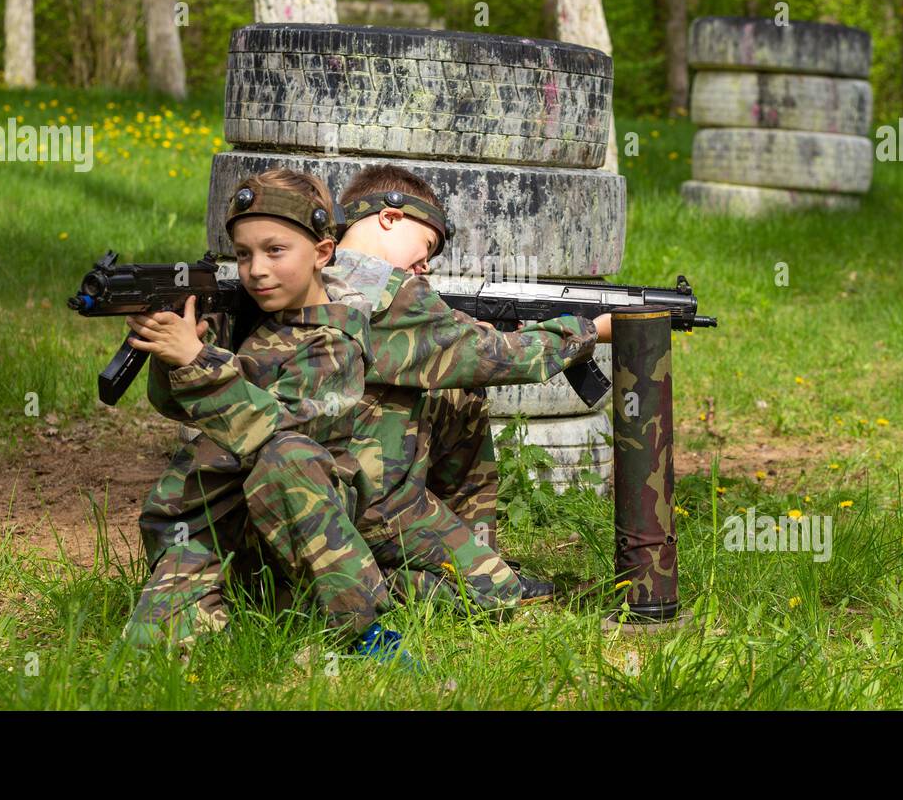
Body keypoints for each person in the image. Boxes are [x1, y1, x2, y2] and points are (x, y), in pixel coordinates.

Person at [122, 167, 407, 663]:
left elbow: (271, 430)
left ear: (322, 253)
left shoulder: (336, 341)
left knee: (284, 455)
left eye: (275, 251)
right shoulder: (245, 318)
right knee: (153, 647)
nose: (256, 270)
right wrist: (173, 350)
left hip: (304, 529)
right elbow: (176, 404)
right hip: (221, 524)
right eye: (244, 254)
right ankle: (250, 612)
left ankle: (368, 631)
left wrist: (198, 359)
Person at [325, 163, 612, 608]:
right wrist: (590, 329)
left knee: (456, 390)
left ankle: (466, 550)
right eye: (427, 246)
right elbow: (503, 357)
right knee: (496, 594)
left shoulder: (312, 272)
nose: (425, 264)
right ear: (390, 217)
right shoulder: (392, 291)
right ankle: (362, 583)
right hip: (373, 504)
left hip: (322, 484)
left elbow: (444, 353)